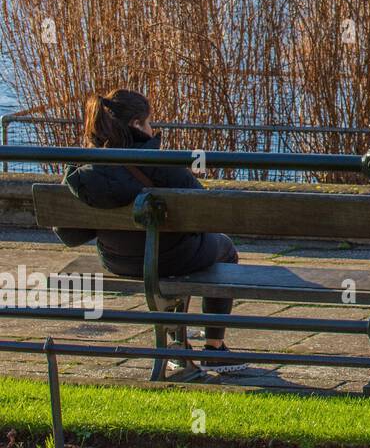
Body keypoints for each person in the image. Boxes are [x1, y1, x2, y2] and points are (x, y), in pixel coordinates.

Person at [58, 90, 245, 371]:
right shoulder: (163, 165)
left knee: (172, 261)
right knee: (225, 249)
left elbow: (70, 235)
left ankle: (176, 346)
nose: (152, 129)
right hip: (175, 257)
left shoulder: (83, 173)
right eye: (148, 123)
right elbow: (207, 216)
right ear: (135, 125)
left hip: (118, 260)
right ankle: (215, 348)